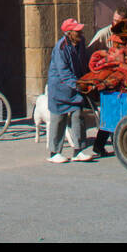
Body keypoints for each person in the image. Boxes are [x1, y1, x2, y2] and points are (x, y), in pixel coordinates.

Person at [46, 19, 97, 163]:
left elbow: (83, 62)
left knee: (78, 116)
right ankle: (54, 152)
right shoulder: (61, 48)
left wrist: (88, 78)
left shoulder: (80, 42)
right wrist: (79, 85)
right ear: (69, 33)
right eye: (77, 31)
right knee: (59, 120)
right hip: (60, 88)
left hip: (75, 87)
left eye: (80, 30)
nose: (80, 33)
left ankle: (78, 150)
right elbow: (64, 73)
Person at [87, 7, 127, 156]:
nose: (115, 23)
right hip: (108, 80)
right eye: (115, 20)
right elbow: (91, 54)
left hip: (123, 79)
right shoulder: (104, 34)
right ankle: (99, 146)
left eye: (119, 22)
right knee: (110, 111)